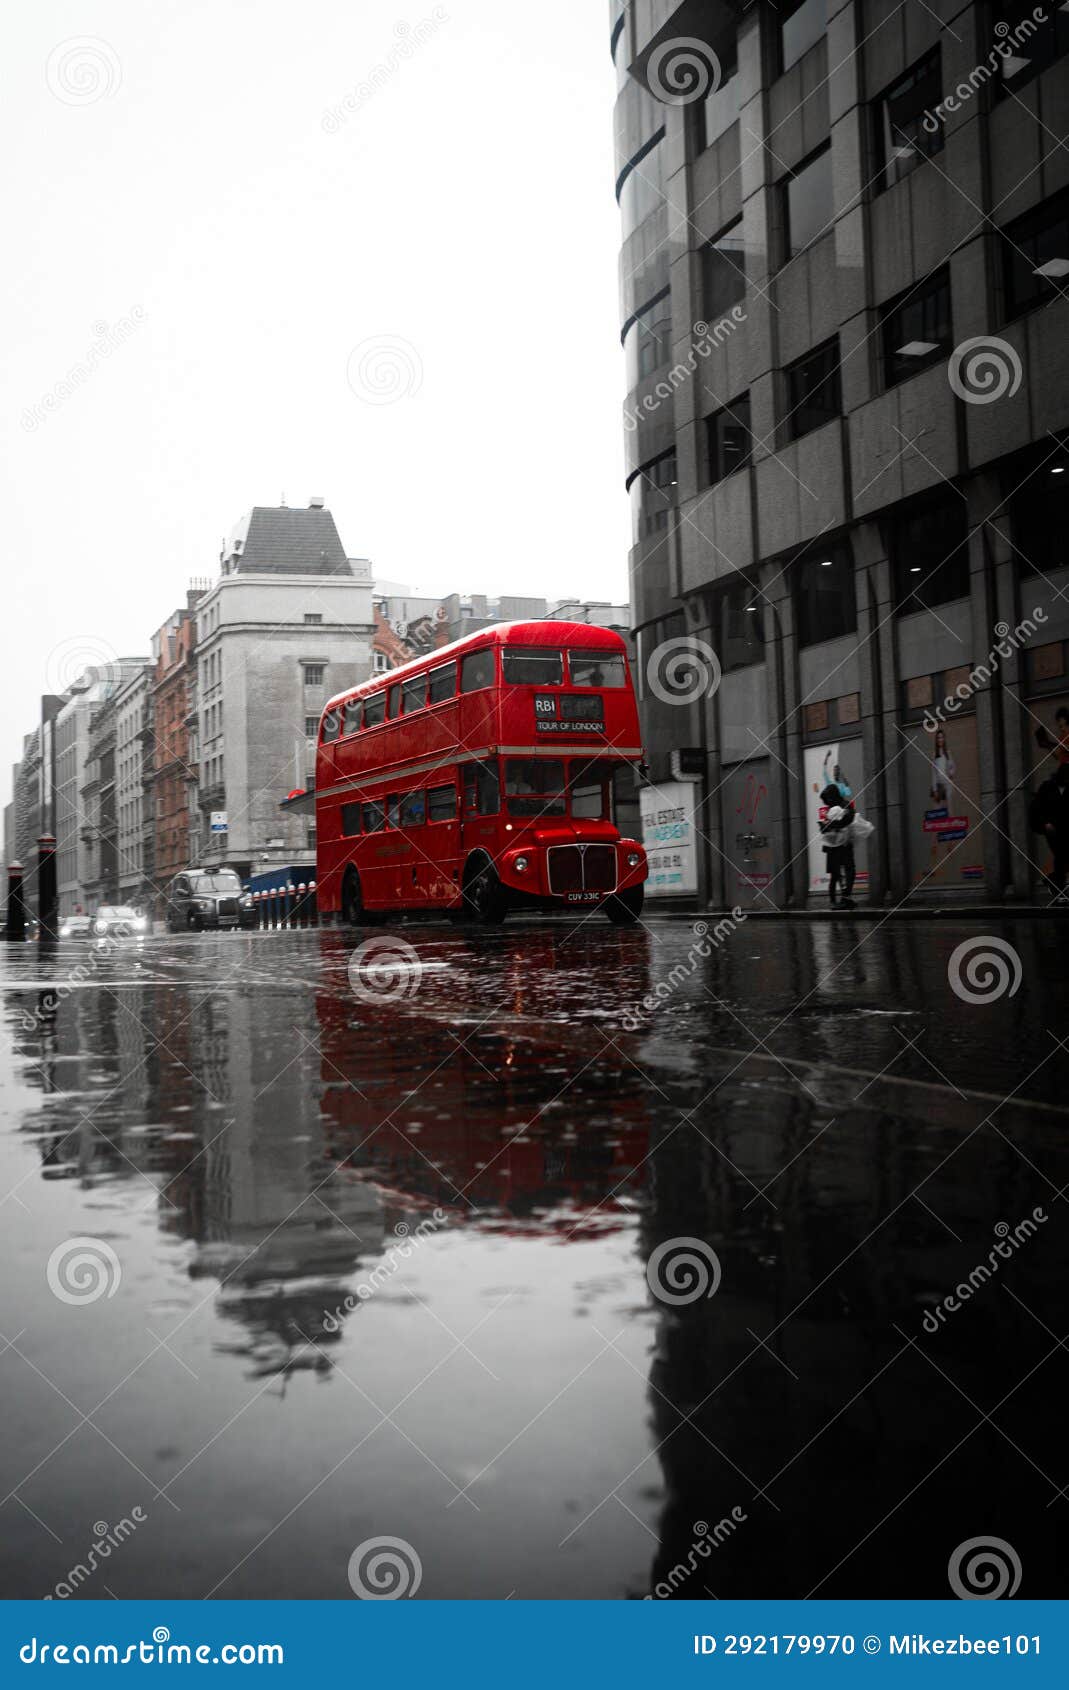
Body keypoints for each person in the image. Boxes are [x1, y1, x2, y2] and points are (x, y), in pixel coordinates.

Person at [1029, 760, 1069, 901]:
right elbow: (1037, 809)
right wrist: (1044, 824)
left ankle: (1053, 881)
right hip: (1052, 830)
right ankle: (1059, 889)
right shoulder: (1047, 787)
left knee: (1063, 857)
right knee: (1061, 854)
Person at [820, 803, 856, 910]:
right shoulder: (829, 826)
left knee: (839, 877)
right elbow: (827, 841)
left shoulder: (837, 824)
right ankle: (833, 901)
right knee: (835, 877)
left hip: (837, 854)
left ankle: (844, 899)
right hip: (833, 855)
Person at [929, 727, 956, 804]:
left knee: (949, 810)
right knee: (939, 811)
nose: (940, 739)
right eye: (938, 738)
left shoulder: (948, 753)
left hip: (948, 786)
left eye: (941, 737)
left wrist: (951, 772)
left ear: (944, 739)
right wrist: (935, 790)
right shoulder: (934, 755)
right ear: (936, 740)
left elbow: (953, 766)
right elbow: (933, 773)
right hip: (938, 786)